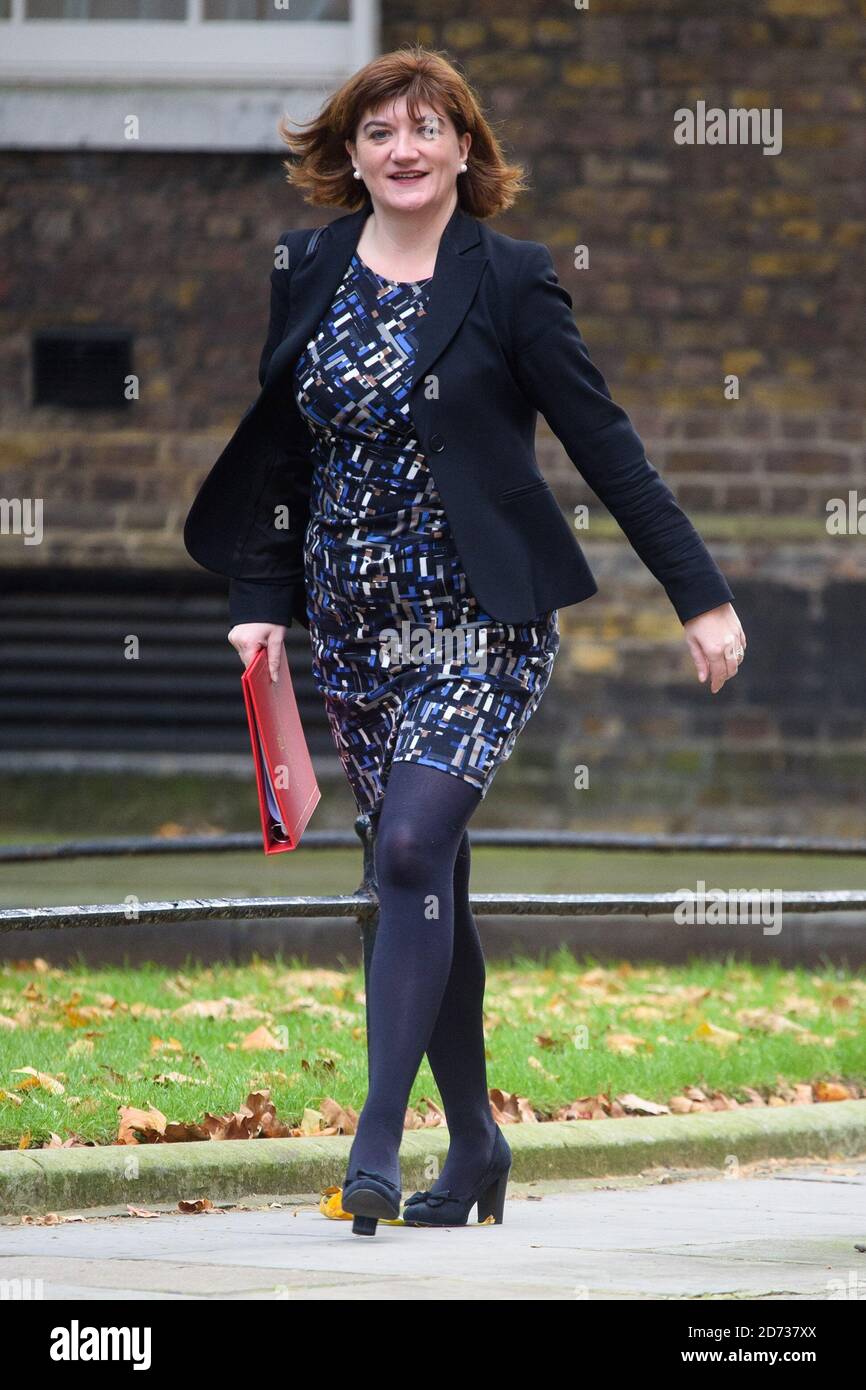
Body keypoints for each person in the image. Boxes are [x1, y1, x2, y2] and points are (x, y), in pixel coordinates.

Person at [183, 45, 746, 1236]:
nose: (402, 149)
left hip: (480, 624)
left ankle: (376, 1149)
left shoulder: (511, 279)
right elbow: (283, 452)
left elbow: (605, 443)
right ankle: (478, 1142)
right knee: (422, 874)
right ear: (350, 153)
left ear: (462, 149)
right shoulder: (310, 267)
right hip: (351, 628)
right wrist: (258, 595)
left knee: (407, 849)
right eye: (379, 130)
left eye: (426, 128)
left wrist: (697, 594)